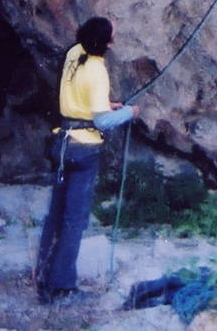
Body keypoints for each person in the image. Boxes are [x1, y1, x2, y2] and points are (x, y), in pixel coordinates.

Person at [35, 16, 139, 305]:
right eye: (112, 36)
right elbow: (103, 122)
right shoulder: (96, 69)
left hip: (62, 142)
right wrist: (129, 112)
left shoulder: (73, 53)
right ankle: (63, 289)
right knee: (74, 220)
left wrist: (106, 104)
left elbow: (82, 99)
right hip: (84, 150)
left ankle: (44, 280)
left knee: (55, 215)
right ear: (106, 43)